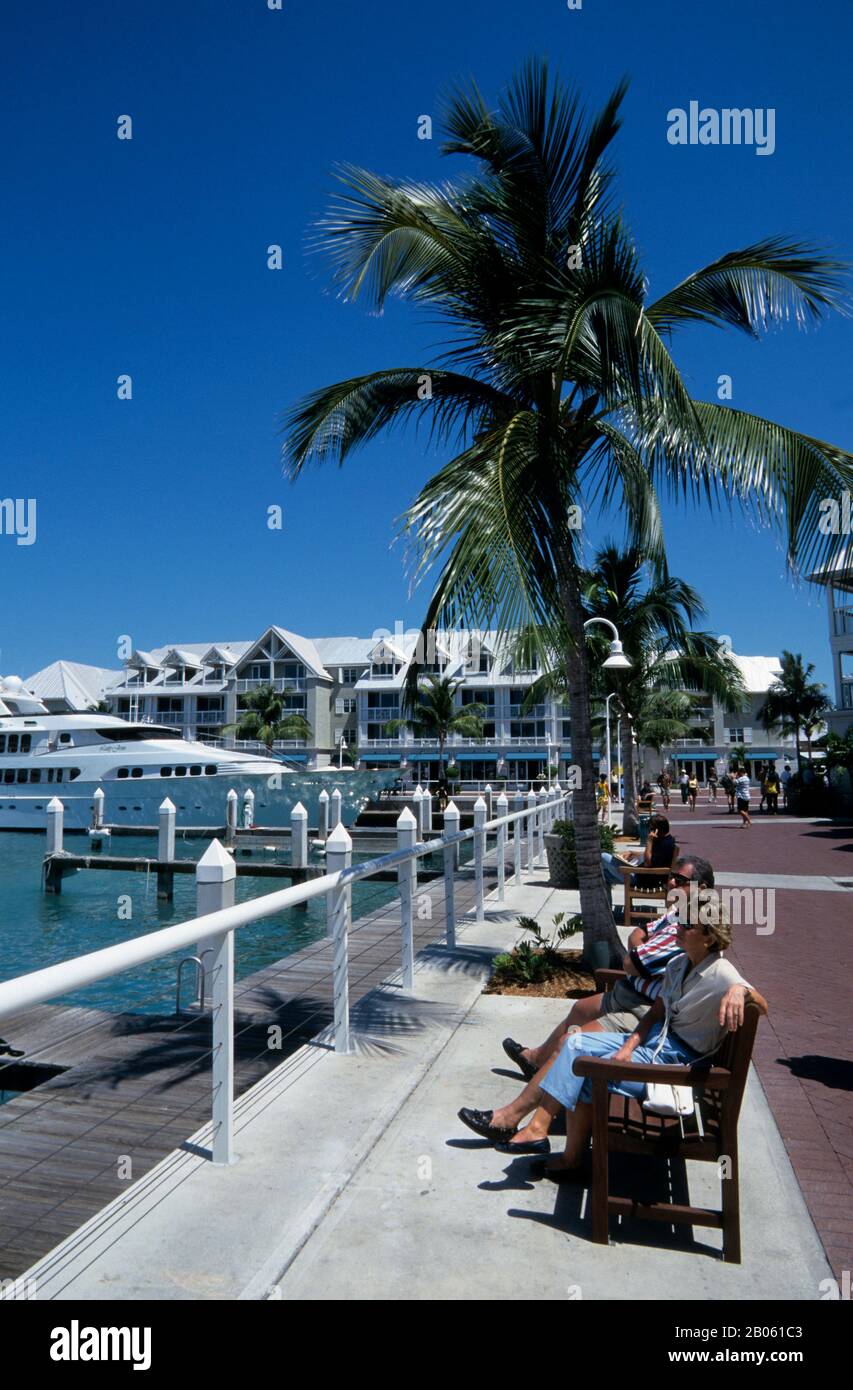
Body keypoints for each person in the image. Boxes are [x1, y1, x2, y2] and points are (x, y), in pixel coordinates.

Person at [461, 891, 767, 1171]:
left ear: (709, 937)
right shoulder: (678, 964)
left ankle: (554, 1146)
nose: (679, 928)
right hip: (653, 1047)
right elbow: (655, 1015)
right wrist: (629, 1046)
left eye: (688, 925)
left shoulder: (721, 973)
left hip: (675, 1068)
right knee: (574, 1043)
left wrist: (741, 991)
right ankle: (542, 1135)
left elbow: (762, 1005)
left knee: (580, 1067)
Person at [459, 857, 716, 1144]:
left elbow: (632, 962)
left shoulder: (690, 930)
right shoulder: (678, 916)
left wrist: (638, 952)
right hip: (631, 993)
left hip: (643, 1008)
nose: (671, 883)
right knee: (579, 1009)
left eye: (680, 881)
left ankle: (512, 1117)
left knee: (569, 1045)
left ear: (701, 888)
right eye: (672, 877)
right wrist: (639, 949)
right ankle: (535, 1060)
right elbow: (636, 935)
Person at [600, 813, 678, 890]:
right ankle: (605, 903)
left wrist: (649, 842)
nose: (649, 831)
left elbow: (648, 863)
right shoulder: (666, 840)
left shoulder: (665, 845)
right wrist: (632, 853)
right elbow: (653, 856)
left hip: (643, 879)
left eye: (650, 829)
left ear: (657, 830)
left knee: (603, 856)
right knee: (604, 876)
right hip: (643, 876)